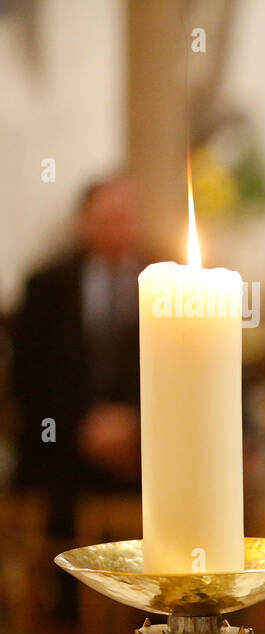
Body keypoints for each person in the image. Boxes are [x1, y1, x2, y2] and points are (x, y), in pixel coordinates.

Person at [10, 175, 147, 536]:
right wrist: (84, 424)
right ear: (84, 223)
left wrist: (133, 424)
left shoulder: (169, 282)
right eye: (106, 219)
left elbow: (181, 373)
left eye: (124, 218)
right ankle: (63, 585)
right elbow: (29, 376)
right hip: (66, 444)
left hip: (144, 444)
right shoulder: (45, 286)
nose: (116, 228)